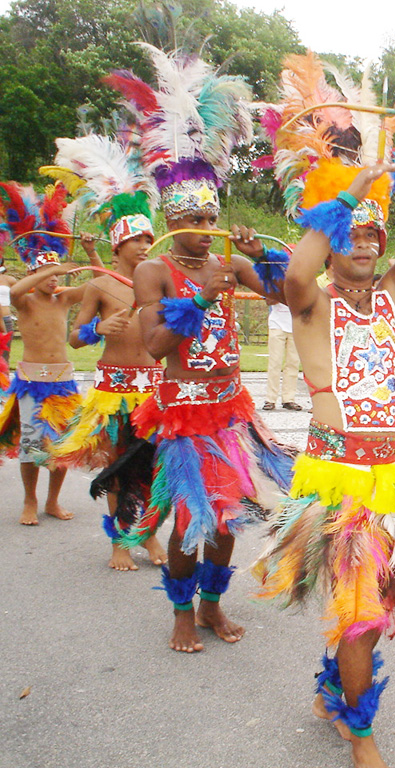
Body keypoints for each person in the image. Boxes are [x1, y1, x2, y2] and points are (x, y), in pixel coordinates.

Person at [251, 81, 395, 768]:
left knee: (372, 602)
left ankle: (332, 688)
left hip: (391, 475)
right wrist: (348, 194)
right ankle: (361, 729)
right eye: (355, 233)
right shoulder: (312, 302)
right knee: (359, 608)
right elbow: (296, 269)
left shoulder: (393, 295)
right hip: (339, 474)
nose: (369, 243)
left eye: (375, 233)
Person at [104, 44, 296, 652]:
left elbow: (288, 293)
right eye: (190, 209)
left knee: (230, 522)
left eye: (210, 208)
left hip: (229, 407)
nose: (202, 218)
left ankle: (212, 604)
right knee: (192, 521)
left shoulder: (226, 260)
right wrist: (204, 301)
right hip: (183, 411)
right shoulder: (155, 270)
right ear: (172, 211)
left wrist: (263, 255)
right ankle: (181, 615)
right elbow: (158, 345)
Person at [40, 136, 168, 569]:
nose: (144, 246)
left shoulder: (159, 281)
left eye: (148, 239)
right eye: (136, 240)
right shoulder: (99, 285)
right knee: (117, 469)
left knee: (152, 468)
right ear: (118, 246)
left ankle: (148, 536)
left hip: (154, 392)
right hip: (113, 391)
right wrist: (98, 328)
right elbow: (75, 338)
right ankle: (118, 542)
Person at [0, 182, 84, 526]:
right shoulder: (23, 298)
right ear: (35, 273)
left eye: (56, 274)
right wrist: (51, 270)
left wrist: (91, 257)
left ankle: (52, 500)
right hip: (31, 382)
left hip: (63, 384)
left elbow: (94, 285)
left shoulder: (63, 299)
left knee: (62, 447)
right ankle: (30, 500)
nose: (54, 281)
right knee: (32, 447)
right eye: (46, 275)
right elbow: (15, 288)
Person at [264, 299, 302, 411]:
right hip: (277, 324)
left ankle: (289, 398)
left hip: (295, 325)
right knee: (275, 362)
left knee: (293, 363)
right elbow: (269, 300)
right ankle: (270, 399)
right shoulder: (274, 281)